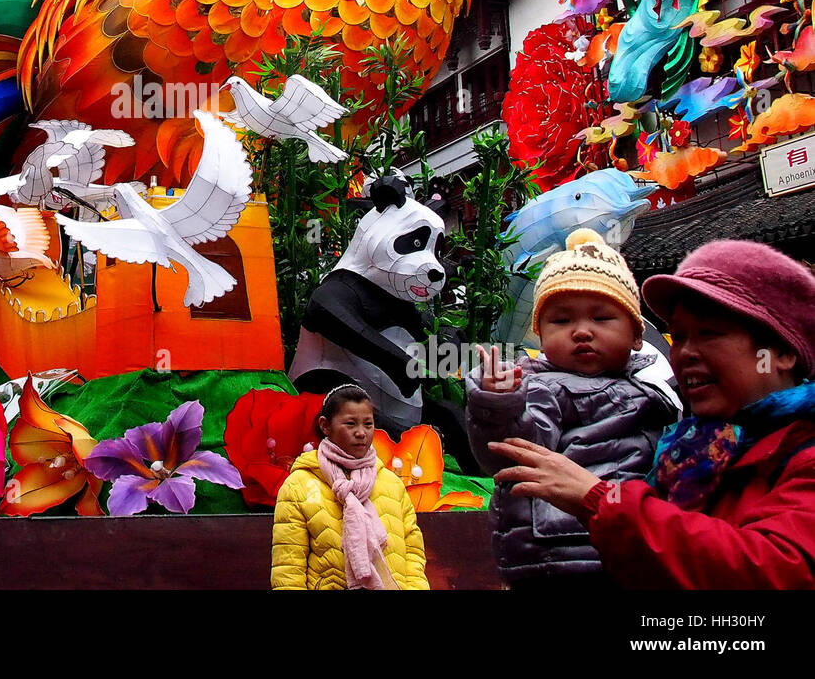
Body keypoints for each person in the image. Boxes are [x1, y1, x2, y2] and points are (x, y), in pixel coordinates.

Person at [493, 239, 815, 589]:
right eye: (679, 337)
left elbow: (779, 569)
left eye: (709, 334)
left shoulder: (803, 455)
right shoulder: (684, 451)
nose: (687, 353)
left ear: (781, 352)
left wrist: (600, 500)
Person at [467, 228, 678, 588]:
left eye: (601, 318)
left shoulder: (654, 383)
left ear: (636, 335)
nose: (582, 331)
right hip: (563, 548)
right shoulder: (542, 386)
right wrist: (500, 402)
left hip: (629, 542)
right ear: (540, 336)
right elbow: (515, 449)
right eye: (562, 321)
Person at [271, 383, 428, 589]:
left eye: (368, 424)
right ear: (325, 426)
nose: (361, 433)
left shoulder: (391, 483)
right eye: (351, 424)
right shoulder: (299, 485)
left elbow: (413, 554)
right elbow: (288, 570)